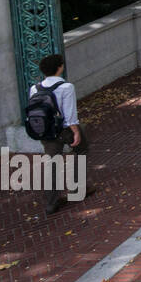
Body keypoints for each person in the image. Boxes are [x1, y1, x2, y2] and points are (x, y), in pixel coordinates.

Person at [29, 53, 87, 215]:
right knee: (81, 151)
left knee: (52, 164)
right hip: (63, 129)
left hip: (46, 131)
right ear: (59, 68)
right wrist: (76, 132)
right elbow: (69, 115)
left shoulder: (34, 88)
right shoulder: (66, 87)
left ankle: (51, 203)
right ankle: (77, 189)